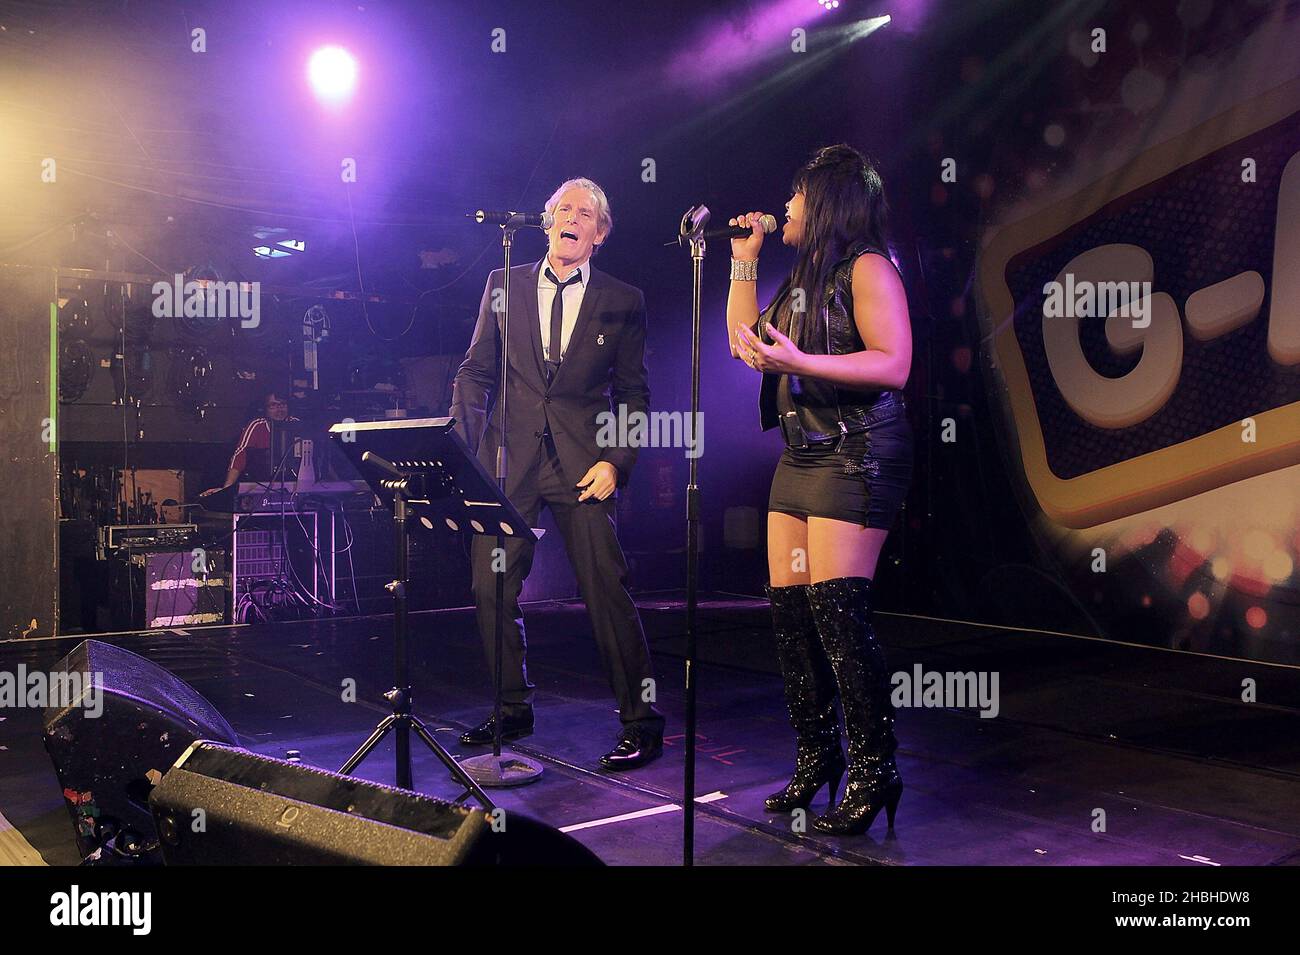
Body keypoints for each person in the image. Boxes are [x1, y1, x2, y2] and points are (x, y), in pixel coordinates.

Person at [726, 145, 913, 834]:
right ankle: (817, 758)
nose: (784, 207)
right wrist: (744, 259)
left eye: (796, 194)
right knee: (791, 613)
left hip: (857, 451)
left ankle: (874, 767)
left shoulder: (869, 267)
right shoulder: (805, 273)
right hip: (802, 453)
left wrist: (798, 359)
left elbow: (895, 362)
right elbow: (744, 342)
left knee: (839, 614)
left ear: (827, 200)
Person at [449, 177, 665, 770]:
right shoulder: (504, 284)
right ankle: (511, 706)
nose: (572, 217)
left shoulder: (623, 299)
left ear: (599, 233)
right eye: (562, 208)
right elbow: (476, 372)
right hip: (507, 462)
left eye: (586, 212)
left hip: (584, 465)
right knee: (489, 586)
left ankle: (642, 721)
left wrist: (616, 461)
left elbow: (634, 392)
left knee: (605, 590)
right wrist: (462, 446)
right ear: (546, 223)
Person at [199, 391, 296, 497]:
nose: (279, 409)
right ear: (265, 409)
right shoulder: (257, 426)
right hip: (261, 484)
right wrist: (226, 489)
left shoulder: (296, 424)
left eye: (282, 404)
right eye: (273, 405)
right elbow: (240, 455)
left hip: (292, 486)